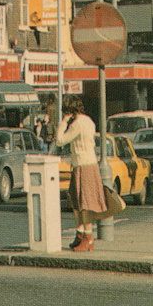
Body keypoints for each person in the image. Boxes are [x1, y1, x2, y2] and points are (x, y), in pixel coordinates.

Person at [56, 96, 107, 252]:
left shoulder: (77, 124)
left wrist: (64, 122)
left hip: (82, 165)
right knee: (78, 202)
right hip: (88, 164)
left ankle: (88, 238)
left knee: (83, 203)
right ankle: (80, 234)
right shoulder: (89, 121)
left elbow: (60, 140)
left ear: (70, 111)